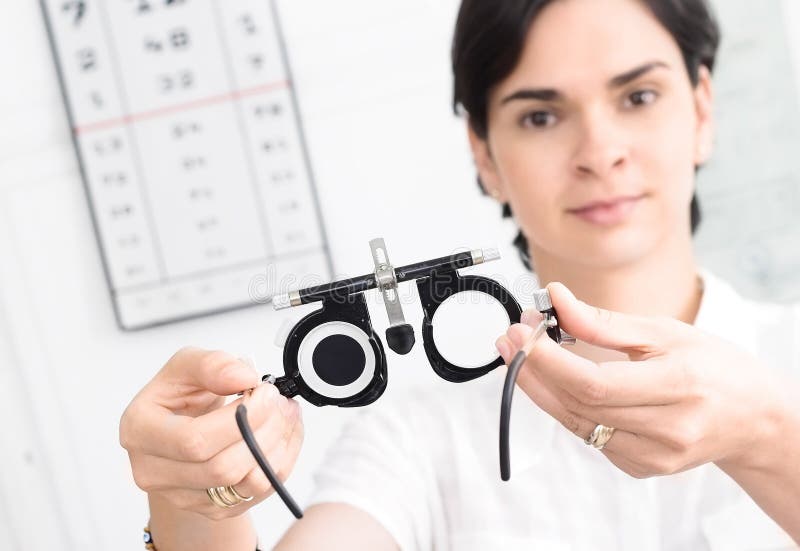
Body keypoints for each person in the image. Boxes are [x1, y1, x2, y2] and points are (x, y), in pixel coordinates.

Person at [119, 0, 800, 549]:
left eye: (639, 96)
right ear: (485, 154)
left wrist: (768, 437)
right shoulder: (416, 442)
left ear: (702, 109)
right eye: (541, 115)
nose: (600, 152)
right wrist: (197, 499)